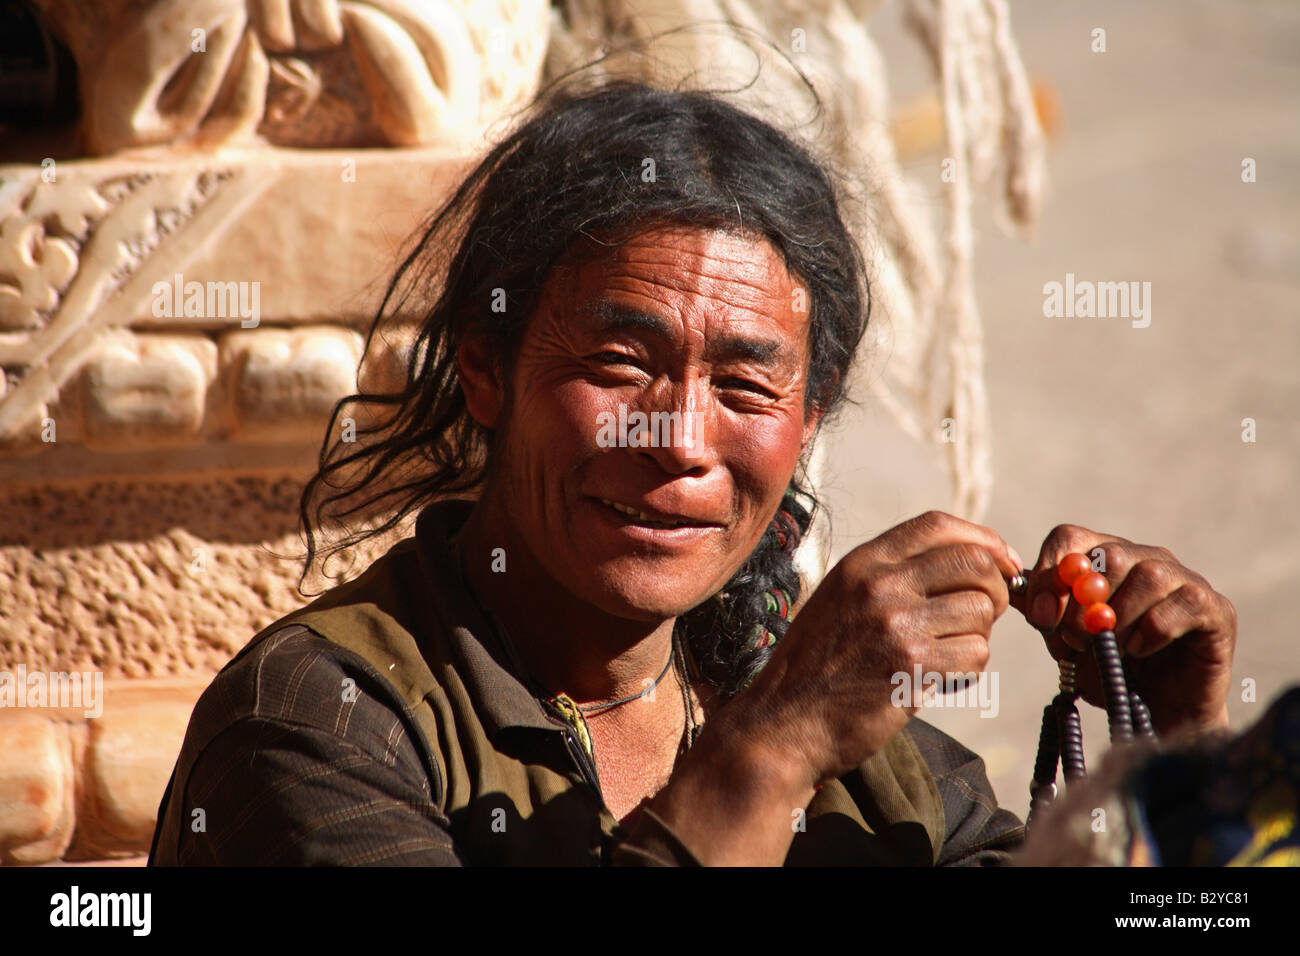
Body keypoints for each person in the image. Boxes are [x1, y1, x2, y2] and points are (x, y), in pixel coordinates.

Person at [148, 78, 1237, 867]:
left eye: (746, 388)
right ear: (484, 368)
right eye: (621, 365)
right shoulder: (319, 720)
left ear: (807, 416)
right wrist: (768, 755)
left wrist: (1174, 744)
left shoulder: (862, 750)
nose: (677, 437)